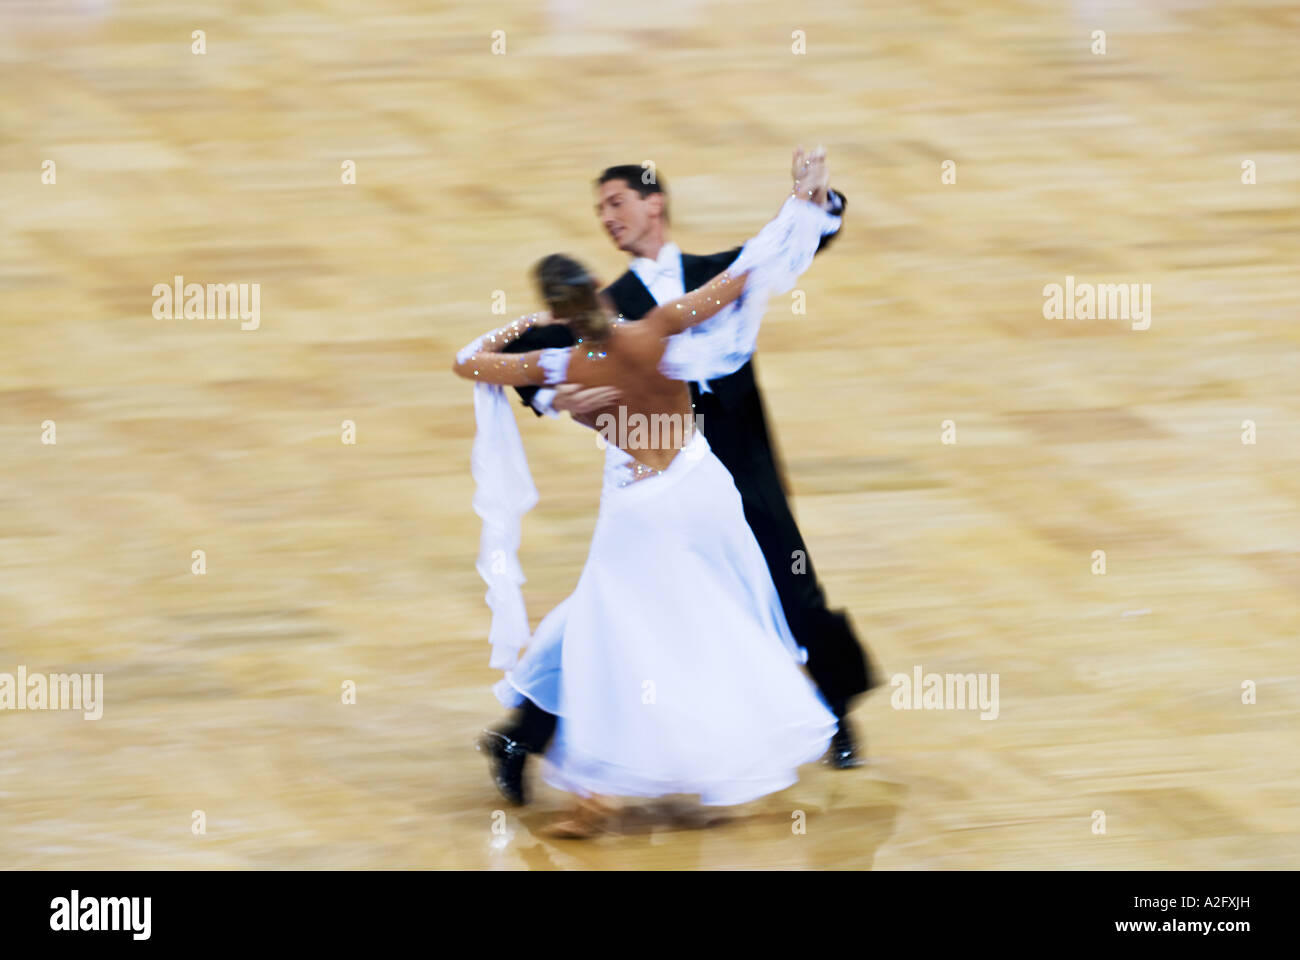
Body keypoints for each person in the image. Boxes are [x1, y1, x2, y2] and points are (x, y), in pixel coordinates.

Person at [455, 151, 851, 835]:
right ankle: (693, 761)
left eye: (615, 203)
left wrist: (532, 343)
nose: (608, 218)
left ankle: (597, 789)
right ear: (599, 294)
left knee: (623, 633)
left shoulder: (568, 359)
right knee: (708, 617)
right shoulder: (661, 324)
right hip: (703, 490)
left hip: (648, 508)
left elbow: (471, 361)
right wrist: (801, 201)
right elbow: (747, 274)